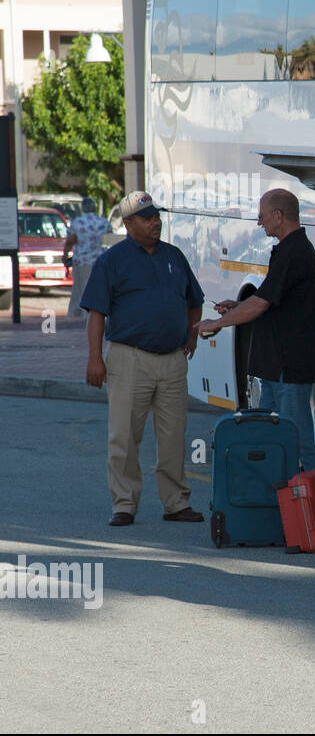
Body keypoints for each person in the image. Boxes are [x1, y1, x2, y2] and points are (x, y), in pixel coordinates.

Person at [82, 190, 205, 527]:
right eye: (147, 217)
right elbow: (97, 313)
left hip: (171, 359)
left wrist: (191, 335)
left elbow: (195, 299)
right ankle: (124, 504)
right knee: (123, 435)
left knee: (173, 435)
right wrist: (96, 359)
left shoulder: (174, 256)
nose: (156, 222)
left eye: (157, 216)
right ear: (128, 223)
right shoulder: (112, 260)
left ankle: (176, 503)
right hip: (129, 357)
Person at [196, 189, 315, 472]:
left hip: (288, 369)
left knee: (294, 443)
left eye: (262, 217)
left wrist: (215, 324)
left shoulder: (295, 250)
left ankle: (305, 508)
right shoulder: (286, 250)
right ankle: (280, 506)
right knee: (272, 441)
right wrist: (238, 305)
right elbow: (270, 299)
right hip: (276, 368)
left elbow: (261, 304)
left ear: (279, 216)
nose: (259, 223)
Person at [63, 196, 110, 320]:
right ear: (94, 208)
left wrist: (65, 255)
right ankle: (97, 313)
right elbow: (110, 240)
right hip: (100, 260)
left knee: (79, 289)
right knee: (97, 288)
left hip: (81, 261)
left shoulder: (77, 222)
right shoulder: (103, 222)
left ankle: (78, 314)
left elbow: (70, 241)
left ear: (83, 208)